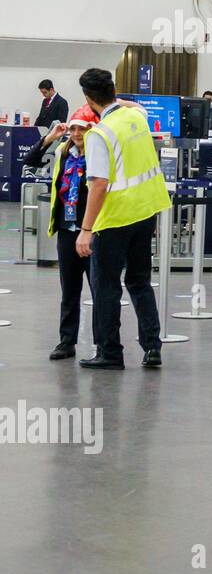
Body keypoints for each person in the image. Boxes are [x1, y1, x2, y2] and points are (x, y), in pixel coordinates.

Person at [75, 68, 171, 371]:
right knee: (140, 281)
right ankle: (152, 347)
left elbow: (99, 184)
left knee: (107, 287)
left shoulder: (99, 134)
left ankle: (110, 352)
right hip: (146, 211)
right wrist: (114, 99)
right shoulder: (136, 118)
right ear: (113, 92)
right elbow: (134, 106)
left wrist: (86, 230)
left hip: (114, 219)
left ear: (89, 99)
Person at [24, 105, 100, 360]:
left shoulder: (100, 154)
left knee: (100, 290)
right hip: (67, 230)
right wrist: (52, 136)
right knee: (70, 290)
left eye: (83, 128)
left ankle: (103, 344)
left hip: (93, 231)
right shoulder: (63, 152)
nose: (77, 133)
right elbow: (31, 160)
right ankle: (67, 342)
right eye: (74, 128)